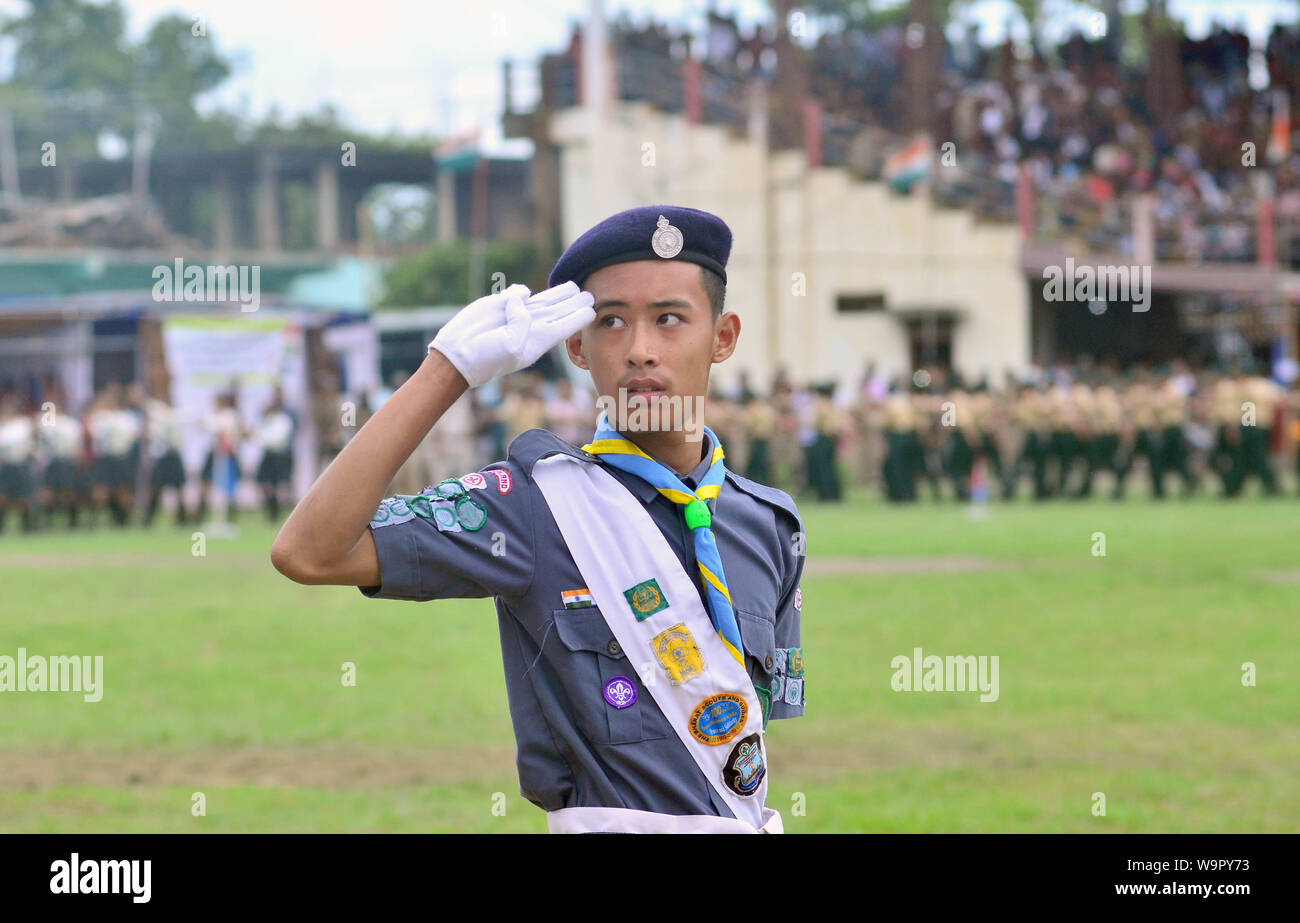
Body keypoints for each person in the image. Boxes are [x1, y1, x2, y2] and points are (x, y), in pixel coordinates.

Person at [272, 205, 803, 834]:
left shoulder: (769, 523)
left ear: (723, 337)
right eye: (611, 322)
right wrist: (446, 373)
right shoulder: (532, 504)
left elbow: (742, 749)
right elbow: (311, 551)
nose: (639, 351)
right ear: (576, 346)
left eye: (668, 319)